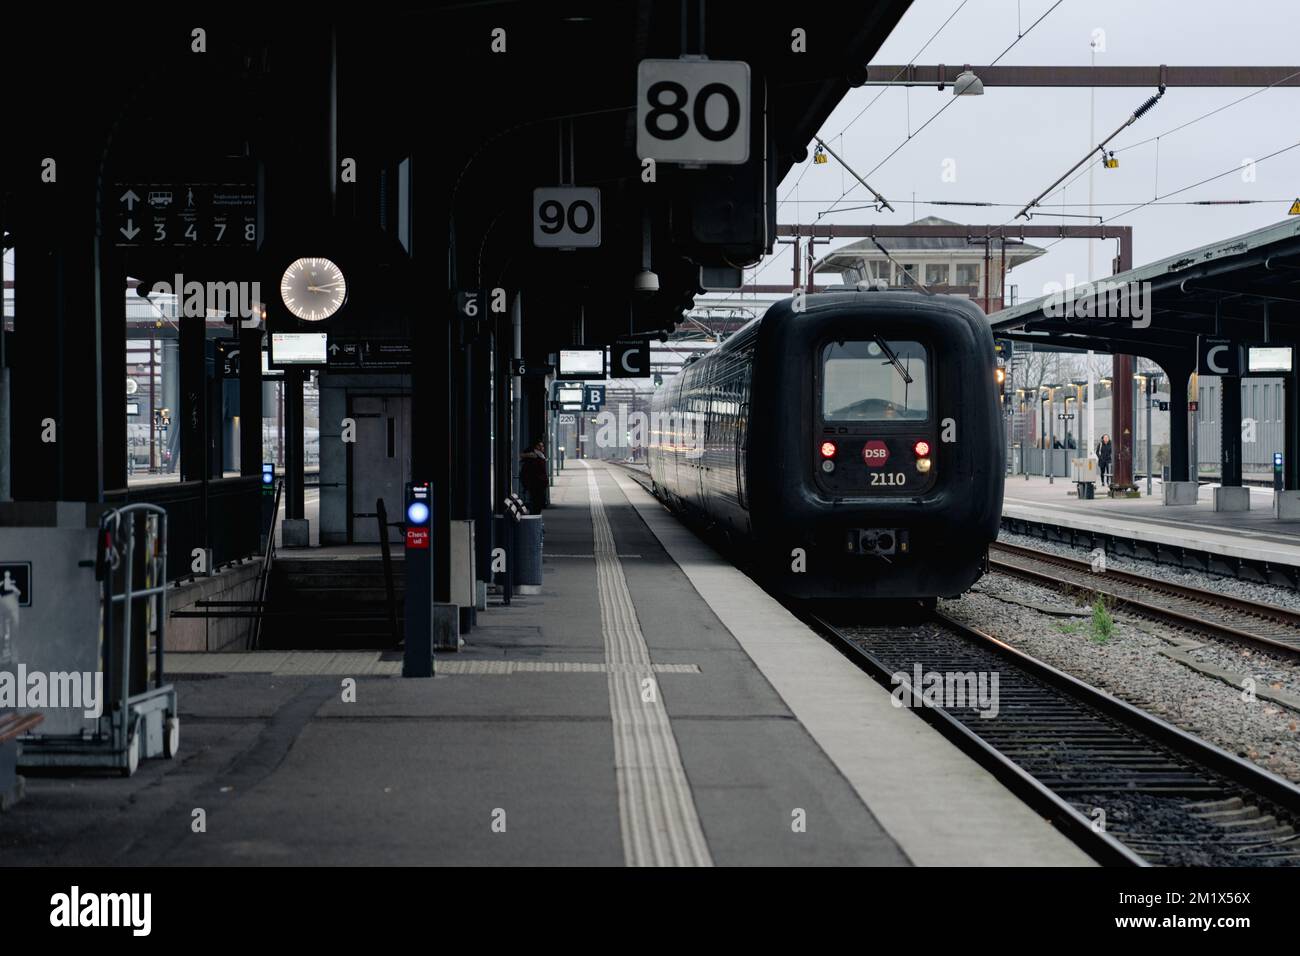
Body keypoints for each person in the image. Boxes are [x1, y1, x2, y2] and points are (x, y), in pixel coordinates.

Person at [519, 439, 548, 512]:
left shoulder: (540, 456)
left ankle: (536, 517)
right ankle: (535, 518)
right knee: (536, 503)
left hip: (539, 484)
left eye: (542, 446)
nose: (542, 448)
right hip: (536, 484)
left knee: (538, 503)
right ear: (535, 447)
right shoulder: (534, 457)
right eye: (539, 446)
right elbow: (530, 471)